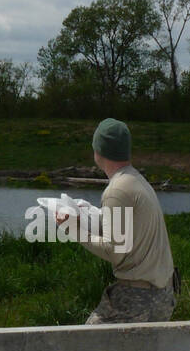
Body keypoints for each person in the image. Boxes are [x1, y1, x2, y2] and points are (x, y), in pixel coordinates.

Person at [61, 118, 176, 324]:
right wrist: (91, 214)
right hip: (162, 295)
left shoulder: (117, 191)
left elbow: (113, 250)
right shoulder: (136, 180)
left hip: (137, 300)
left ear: (99, 151)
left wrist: (71, 229)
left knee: (83, 346)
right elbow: (126, 232)